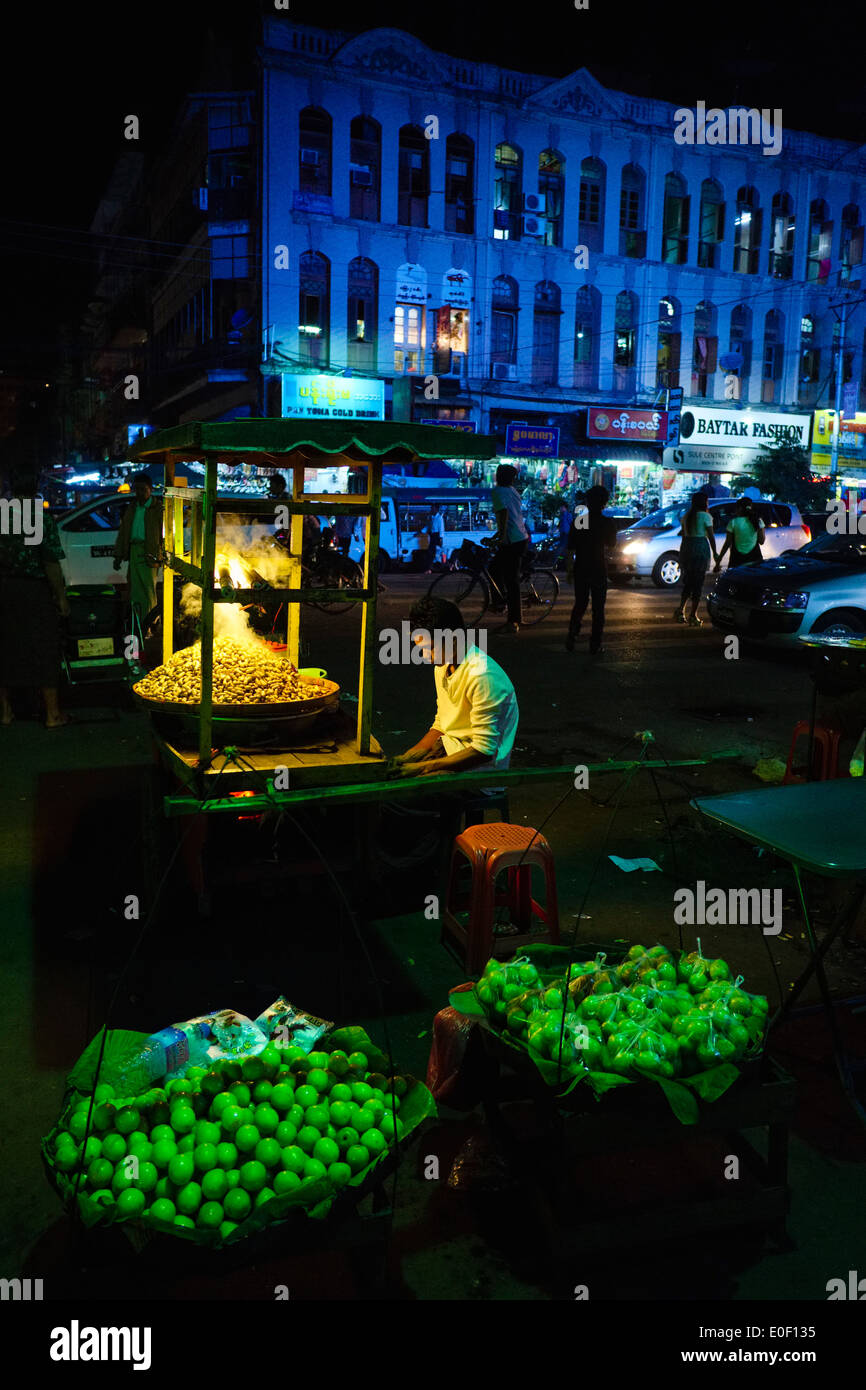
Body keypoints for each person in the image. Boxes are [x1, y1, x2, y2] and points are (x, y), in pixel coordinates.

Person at [393, 597, 519, 777]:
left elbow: (484, 751)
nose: (425, 656)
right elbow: (442, 723)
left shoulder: (482, 676)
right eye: (421, 648)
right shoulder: (443, 665)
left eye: (430, 648)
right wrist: (407, 757)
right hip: (448, 748)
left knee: (398, 795)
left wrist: (422, 767)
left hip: (480, 772)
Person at [0, 470, 70, 728]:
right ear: (35, 487)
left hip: (5, 589)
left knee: (5, 648)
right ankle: (52, 714)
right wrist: (61, 597)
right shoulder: (39, 517)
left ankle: (5, 712)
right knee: (44, 648)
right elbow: (50, 563)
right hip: (35, 592)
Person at [564, 485, 617, 655]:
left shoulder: (580, 521)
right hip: (598, 567)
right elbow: (612, 545)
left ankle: (572, 635)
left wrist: (569, 570)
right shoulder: (607, 522)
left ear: (587, 501)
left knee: (580, 603)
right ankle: (595, 643)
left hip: (581, 566)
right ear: (604, 503)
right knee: (598, 607)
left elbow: (570, 548)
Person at [113, 472, 162, 621]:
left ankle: (151, 622)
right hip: (134, 550)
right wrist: (118, 556)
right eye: (137, 489)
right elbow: (124, 533)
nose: (140, 493)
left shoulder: (158, 509)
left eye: (143, 489)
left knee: (148, 589)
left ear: (150, 489)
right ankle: (140, 622)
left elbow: (164, 534)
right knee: (135, 589)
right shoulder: (132, 508)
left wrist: (161, 554)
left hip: (150, 552)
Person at [487, 464, 529, 634]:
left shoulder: (498, 492)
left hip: (512, 540)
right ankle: (500, 604)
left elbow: (503, 514)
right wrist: (499, 535)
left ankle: (514, 621)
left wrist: (500, 536)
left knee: (511, 580)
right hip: (519, 537)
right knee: (495, 570)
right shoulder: (512, 491)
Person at [674, 491, 719, 626]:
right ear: (704, 503)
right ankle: (693, 615)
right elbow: (711, 537)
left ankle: (680, 610)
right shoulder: (706, 516)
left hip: (687, 548)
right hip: (700, 549)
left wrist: (682, 555)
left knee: (688, 582)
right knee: (698, 583)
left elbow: (683, 537)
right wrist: (716, 553)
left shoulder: (687, 516)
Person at [716, 498, 765, 570]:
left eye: (736, 508)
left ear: (740, 508)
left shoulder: (733, 522)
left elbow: (727, 544)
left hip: (737, 560)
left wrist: (718, 561)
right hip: (755, 558)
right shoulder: (758, 521)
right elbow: (762, 541)